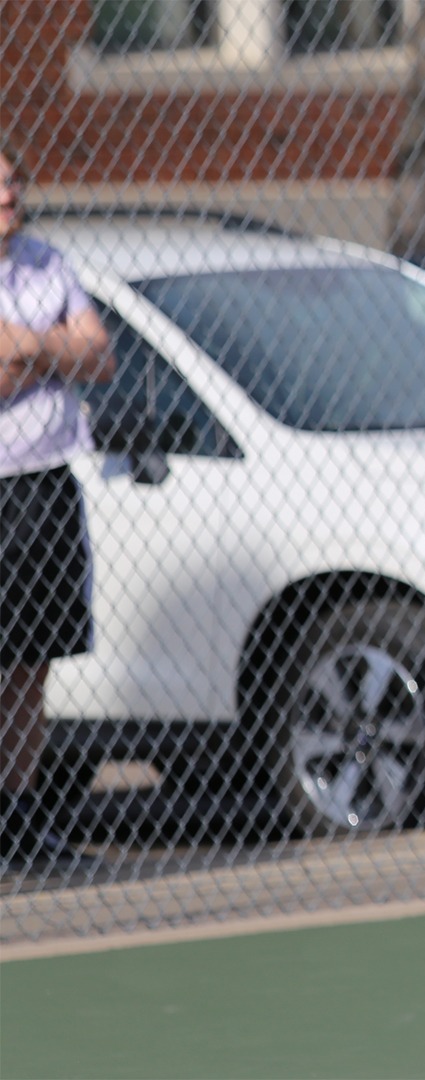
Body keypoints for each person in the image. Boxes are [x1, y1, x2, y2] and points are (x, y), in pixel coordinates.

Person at [1, 145, 115, 874]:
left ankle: (19, 818)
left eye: (13, 183)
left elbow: (99, 356)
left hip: (44, 483)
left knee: (31, 664)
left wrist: (32, 346)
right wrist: (58, 348)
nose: (8, 196)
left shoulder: (48, 263)